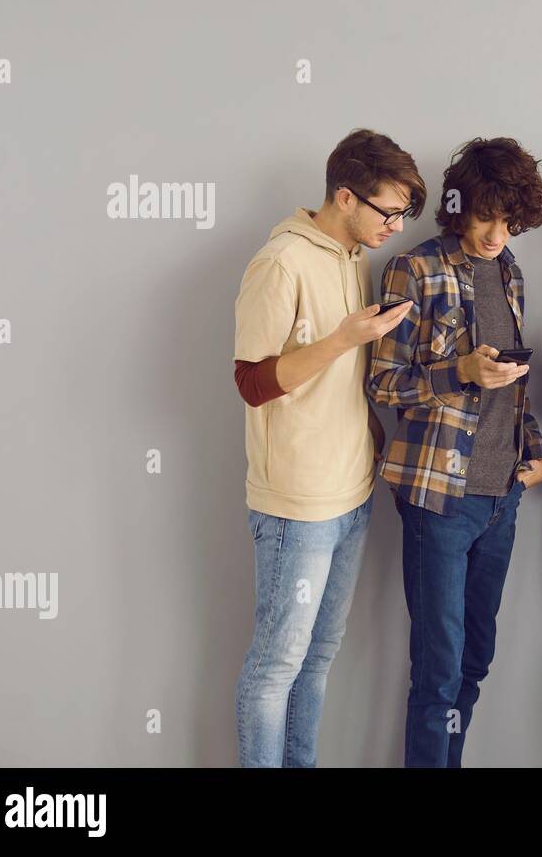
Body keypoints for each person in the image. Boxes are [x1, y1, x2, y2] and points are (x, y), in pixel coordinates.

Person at [233, 128, 426, 767]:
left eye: (404, 213)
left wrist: (370, 434)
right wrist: (344, 340)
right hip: (298, 502)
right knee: (276, 662)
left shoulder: (352, 256)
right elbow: (252, 382)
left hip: (353, 490)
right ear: (345, 196)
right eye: (388, 211)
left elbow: (342, 382)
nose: (396, 226)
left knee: (317, 657)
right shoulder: (280, 261)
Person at [367, 137, 542, 768]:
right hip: (438, 498)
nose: (497, 233)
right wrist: (459, 372)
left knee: (475, 661)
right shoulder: (412, 270)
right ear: (458, 207)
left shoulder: (512, 275)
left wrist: (536, 450)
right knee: (438, 673)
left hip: (503, 494)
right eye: (484, 217)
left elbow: (514, 385)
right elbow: (382, 382)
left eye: (509, 220)